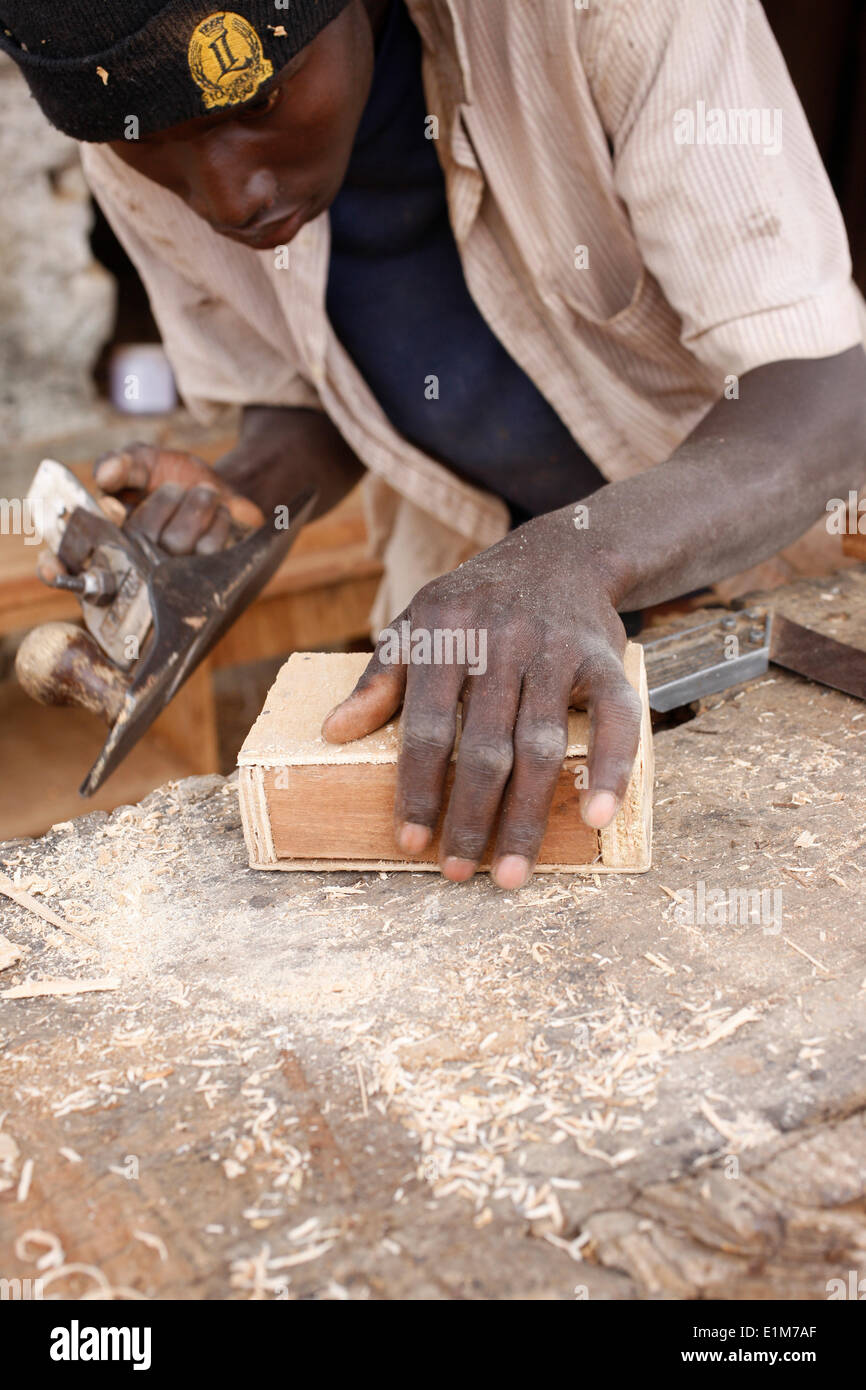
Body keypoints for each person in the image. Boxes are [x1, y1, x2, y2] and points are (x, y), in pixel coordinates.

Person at [3, 1, 864, 887]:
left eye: (254, 106)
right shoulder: (126, 137)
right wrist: (241, 493)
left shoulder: (610, 13)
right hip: (471, 607)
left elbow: (826, 395)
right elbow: (309, 403)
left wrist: (569, 558)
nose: (231, 196)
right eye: (160, 143)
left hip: (763, 567)